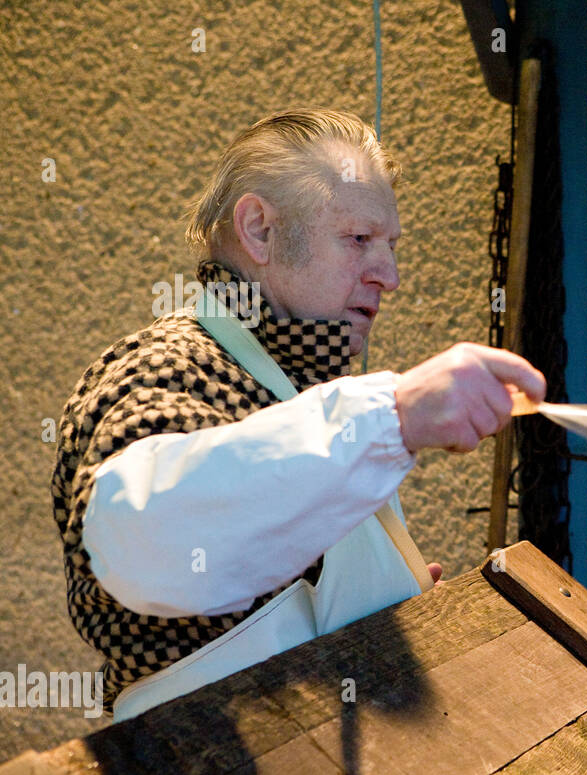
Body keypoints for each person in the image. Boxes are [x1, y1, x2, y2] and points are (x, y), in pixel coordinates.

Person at [50, 108, 545, 721]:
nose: (389, 276)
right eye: (359, 239)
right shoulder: (165, 367)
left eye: (391, 247)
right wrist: (398, 414)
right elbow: (141, 538)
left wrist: (392, 605)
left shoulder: (300, 386)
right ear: (258, 230)